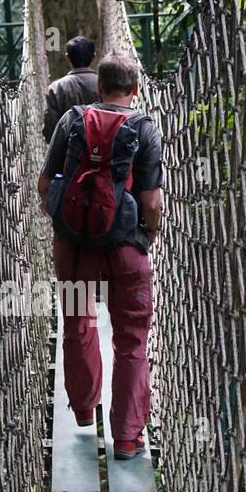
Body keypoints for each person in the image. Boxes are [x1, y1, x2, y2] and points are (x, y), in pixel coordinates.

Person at [38, 50, 163, 460]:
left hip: (75, 249)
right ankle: (127, 437)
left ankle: (84, 409)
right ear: (136, 89)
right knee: (130, 339)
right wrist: (148, 236)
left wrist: (67, 221)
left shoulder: (71, 120)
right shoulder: (144, 127)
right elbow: (152, 202)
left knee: (78, 321)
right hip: (126, 250)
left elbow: (45, 183)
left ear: (100, 87)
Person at [42, 35, 98, 141]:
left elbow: (50, 131)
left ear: (67, 57)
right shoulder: (105, 84)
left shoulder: (56, 88)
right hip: (102, 150)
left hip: (68, 152)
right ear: (94, 56)